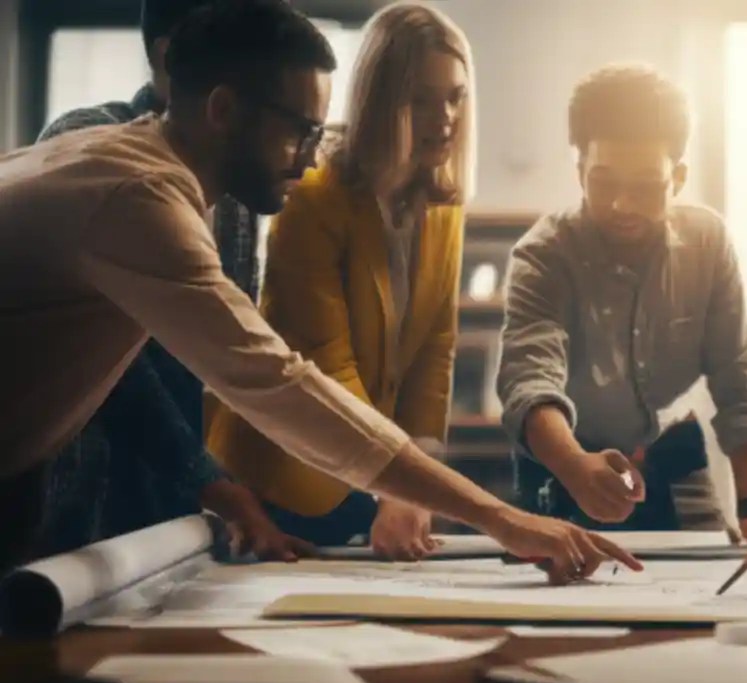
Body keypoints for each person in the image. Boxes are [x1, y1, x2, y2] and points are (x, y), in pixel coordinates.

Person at [0, 0, 639, 585]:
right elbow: (280, 384)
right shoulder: (142, 200)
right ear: (222, 110)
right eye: (301, 132)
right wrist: (505, 519)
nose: (310, 160)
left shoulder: (120, 161)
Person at [34, 0, 304, 561]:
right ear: (170, 57)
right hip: (72, 495)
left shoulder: (229, 172)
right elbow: (126, 374)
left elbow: (224, 344)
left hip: (171, 501)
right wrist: (210, 480)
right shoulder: (91, 144)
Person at [208, 1, 473, 560]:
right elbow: (327, 363)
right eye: (421, 99)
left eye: (455, 96)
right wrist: (396, 488)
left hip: (371, 476)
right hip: (285, 482)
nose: (445, 117)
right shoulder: (315, 196)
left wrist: (416, 481)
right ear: (380, 100)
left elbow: (435, 353)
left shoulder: (444, 203)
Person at [497, 65, 747, 537]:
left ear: (678, 177)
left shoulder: (707, 244)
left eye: (646, 186)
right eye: (603, 183)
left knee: (705, 583)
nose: (623, 205)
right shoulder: (543, 255)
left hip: (672, 458)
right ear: (580, 169)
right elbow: (529, 382)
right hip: (563, 462)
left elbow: (737, 384)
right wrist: (575, 467)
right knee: (561, 600)